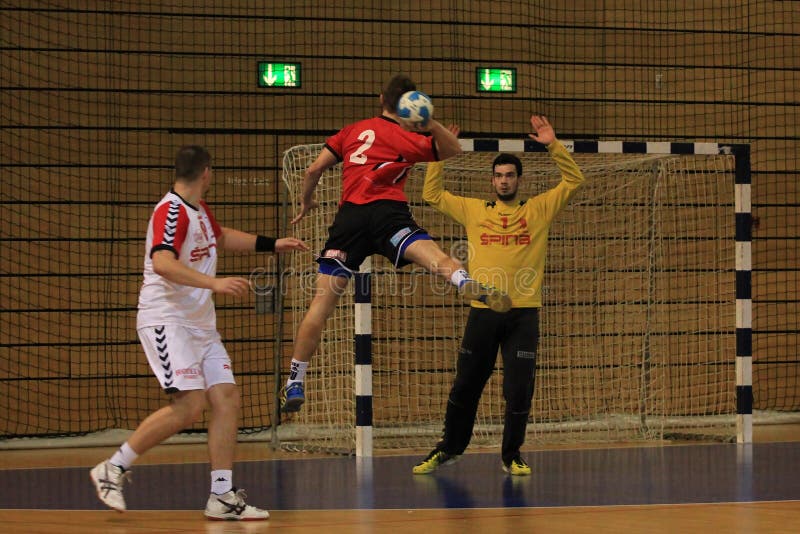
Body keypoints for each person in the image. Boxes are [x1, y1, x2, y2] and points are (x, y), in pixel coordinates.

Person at [89, 145, 308, 520]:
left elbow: (220, 239)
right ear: (207, 172)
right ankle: (114, 467)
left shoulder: (200, 210)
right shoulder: (170, 211)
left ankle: (221, 496)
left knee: (226, 397)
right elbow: (162, 262)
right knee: (189, 406)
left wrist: (272, 245)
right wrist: (214, 282)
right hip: (167, 320)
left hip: (201, 325)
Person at [280, 73, 511, 413]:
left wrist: (306, 201)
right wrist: (429, 122)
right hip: (389, 215)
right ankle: (464, 281)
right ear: (407, 108)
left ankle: (295, 381)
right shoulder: (408, 137)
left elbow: (313, 170)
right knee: (433, 256)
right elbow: (452, 149)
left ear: (380, 99)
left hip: (350, 220)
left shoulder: (353, 131)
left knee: (321, 303)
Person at [412, 115, 585, 476]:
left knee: (519, 389)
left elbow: (574, 179)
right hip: (484, 310)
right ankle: (449, 449)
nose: (504, 180)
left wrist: (553, 144)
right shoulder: (475, 210)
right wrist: (439, 157)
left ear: (518, 180)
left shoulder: (538, 209)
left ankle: (512, 455)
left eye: (509, 175)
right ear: (492, 180)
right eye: (499, 175)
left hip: (524, 314)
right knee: (466, 385)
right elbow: (432, 194)